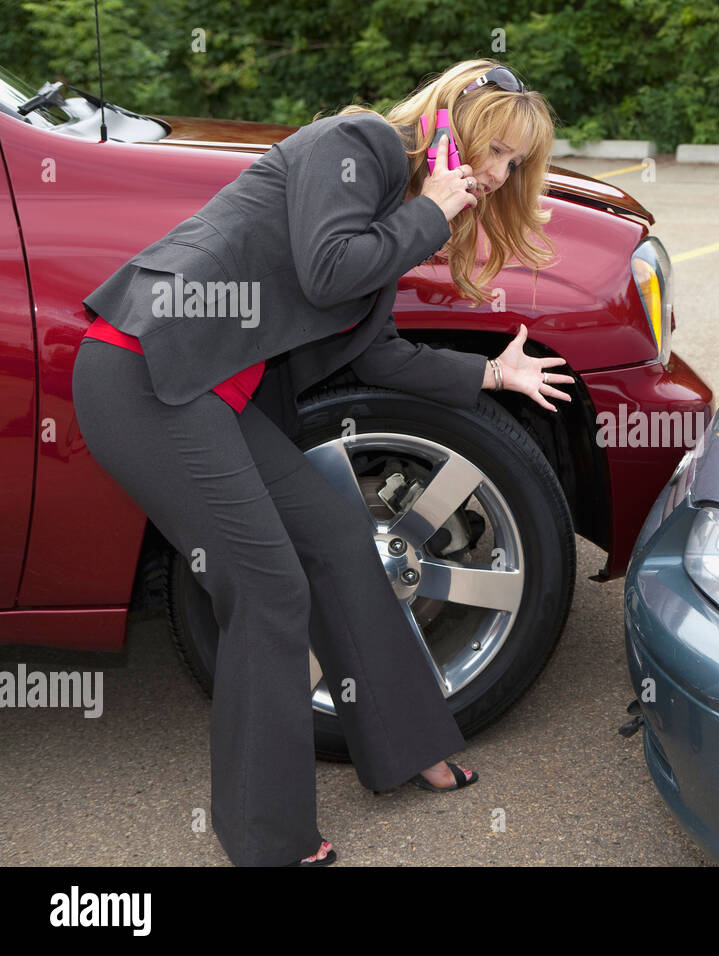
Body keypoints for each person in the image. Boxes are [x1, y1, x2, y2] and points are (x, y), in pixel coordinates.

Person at [70, 59, 571, 866]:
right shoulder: (359, 143)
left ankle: (407, 744)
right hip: (143, 374)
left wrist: (490, 374)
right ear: (454, 127)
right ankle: (266, 838)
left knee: (339, 538)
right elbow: (326, 266)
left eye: (515, 166)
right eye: (500, 152)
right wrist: (433, 215)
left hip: (203, 395)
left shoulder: (394, 207)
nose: (500, 174)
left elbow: (377, 355)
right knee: (268, 588)